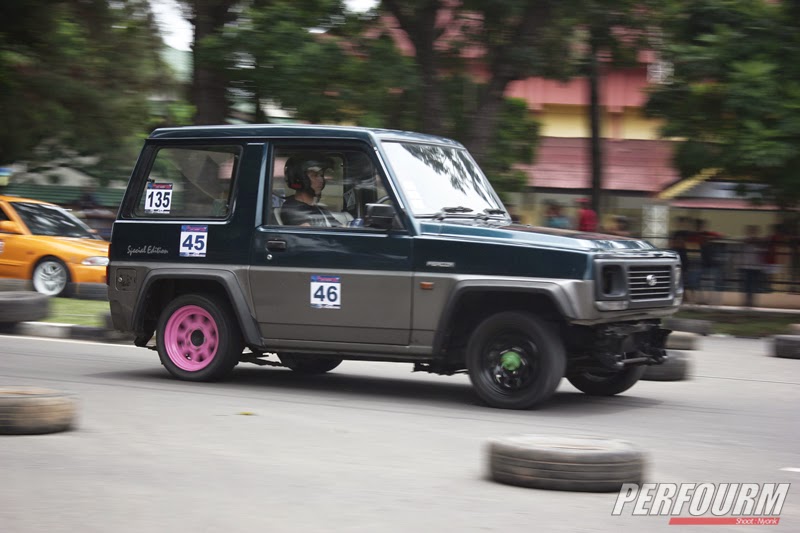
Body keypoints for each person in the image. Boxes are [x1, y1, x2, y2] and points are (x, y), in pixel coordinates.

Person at [279, 154, 341, 227]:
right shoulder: (292, 210)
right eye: (314, 175)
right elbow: (310, 236)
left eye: (321, 175)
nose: (321, 180)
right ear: (299, 179)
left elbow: (340, 228)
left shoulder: (319, 209)